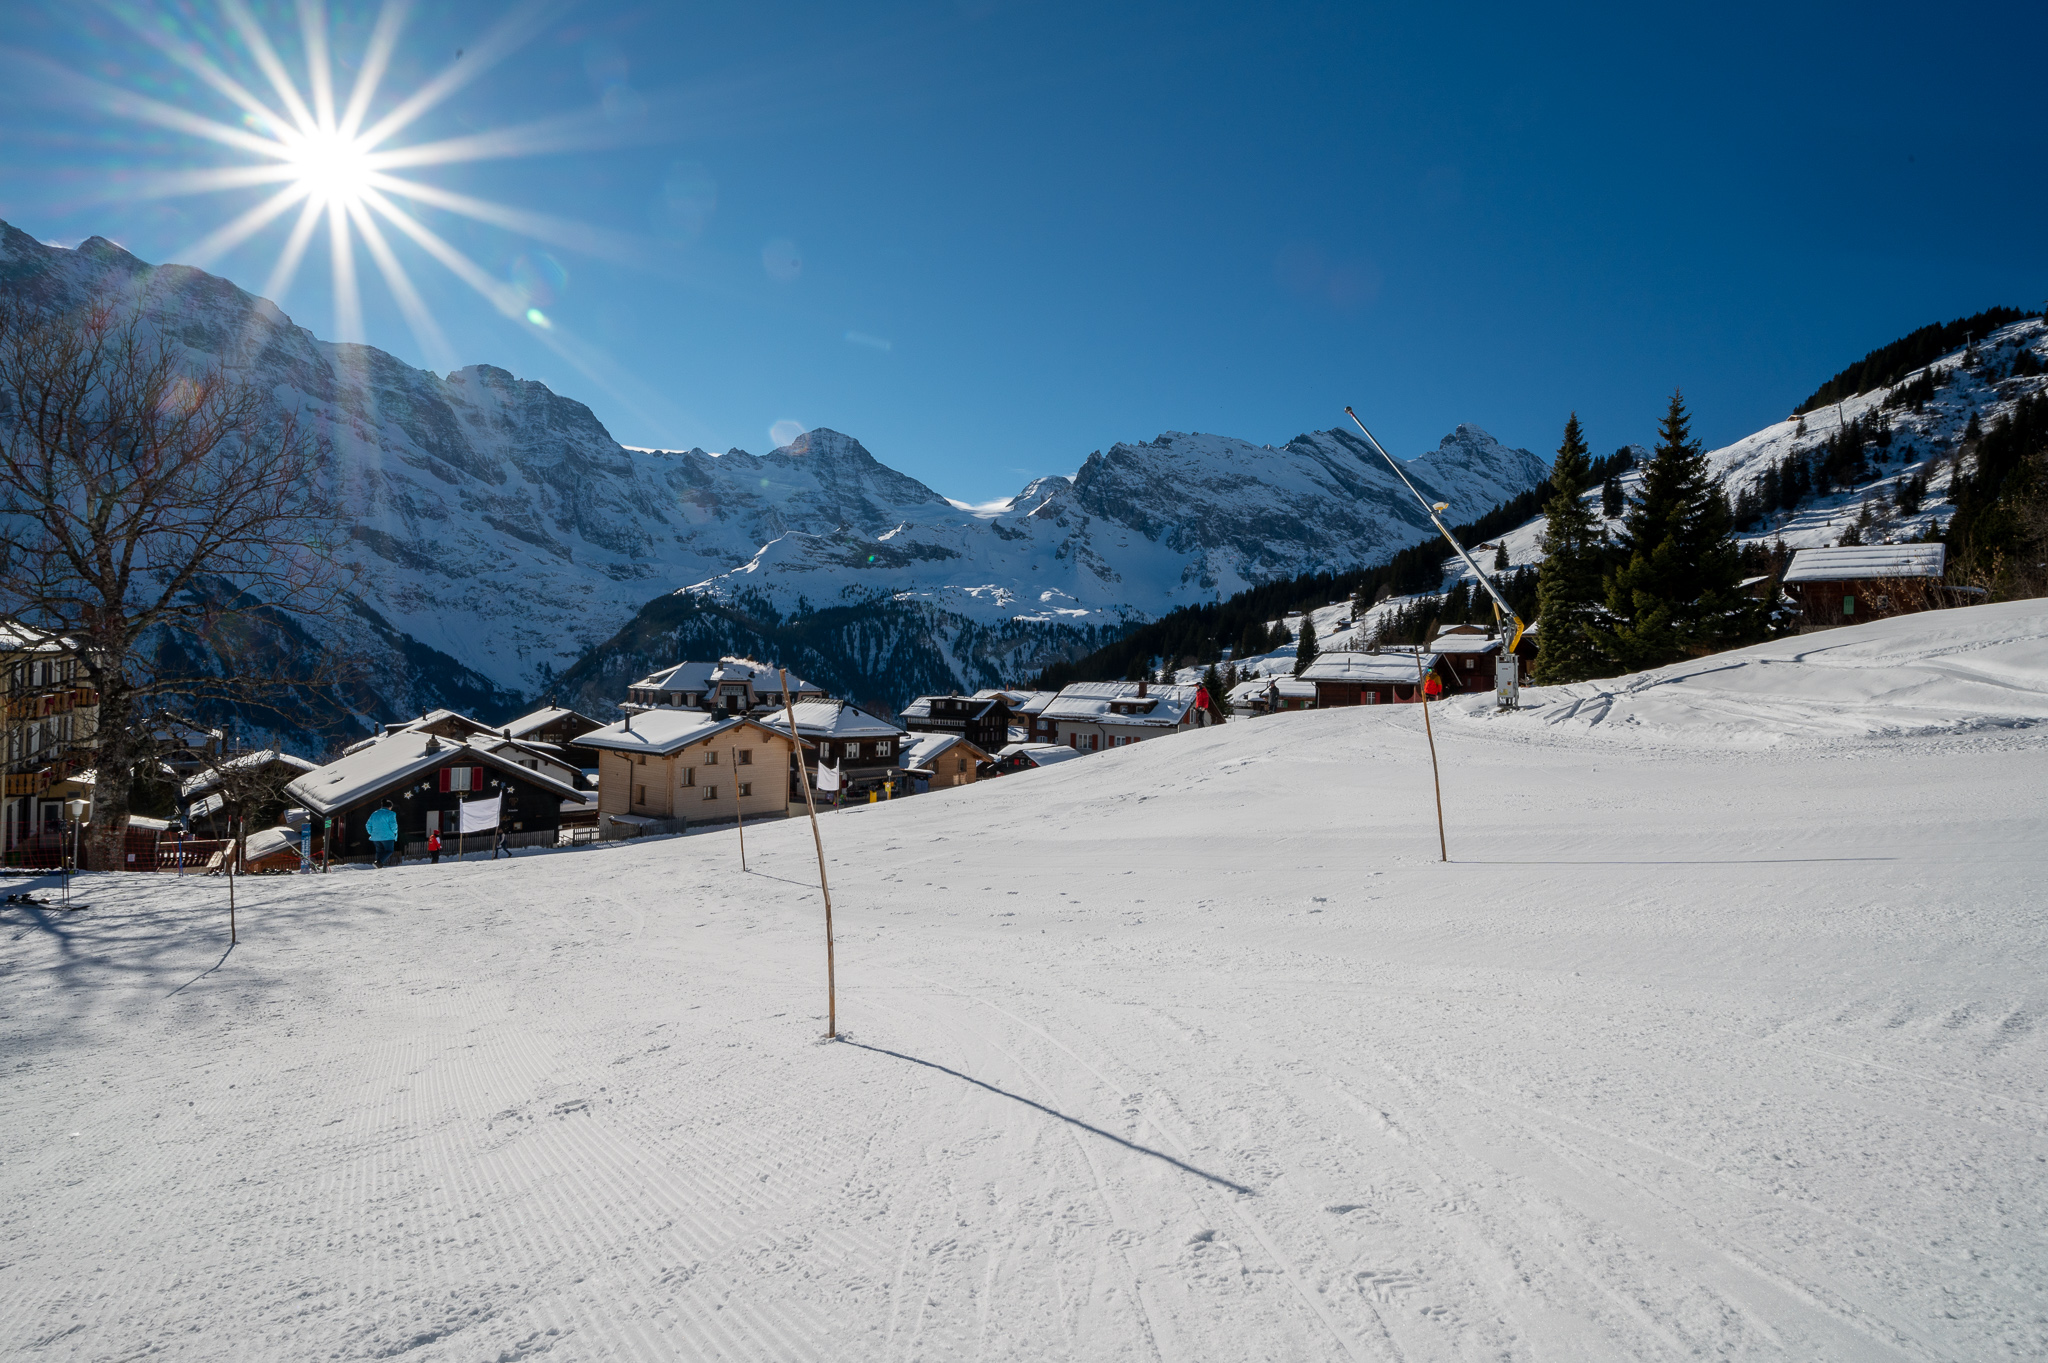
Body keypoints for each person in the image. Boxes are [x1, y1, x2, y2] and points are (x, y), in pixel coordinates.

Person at [367, 801, 399, 868]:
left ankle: (378, 865)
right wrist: (395, 832)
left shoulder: (374, 813)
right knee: (389, 850)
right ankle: (379, 862)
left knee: (379, 851)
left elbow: (368, 825)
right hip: (387, 836)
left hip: (375, 837)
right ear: (389, 807)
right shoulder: (391, 813)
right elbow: (393, 825)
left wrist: (371, 833)